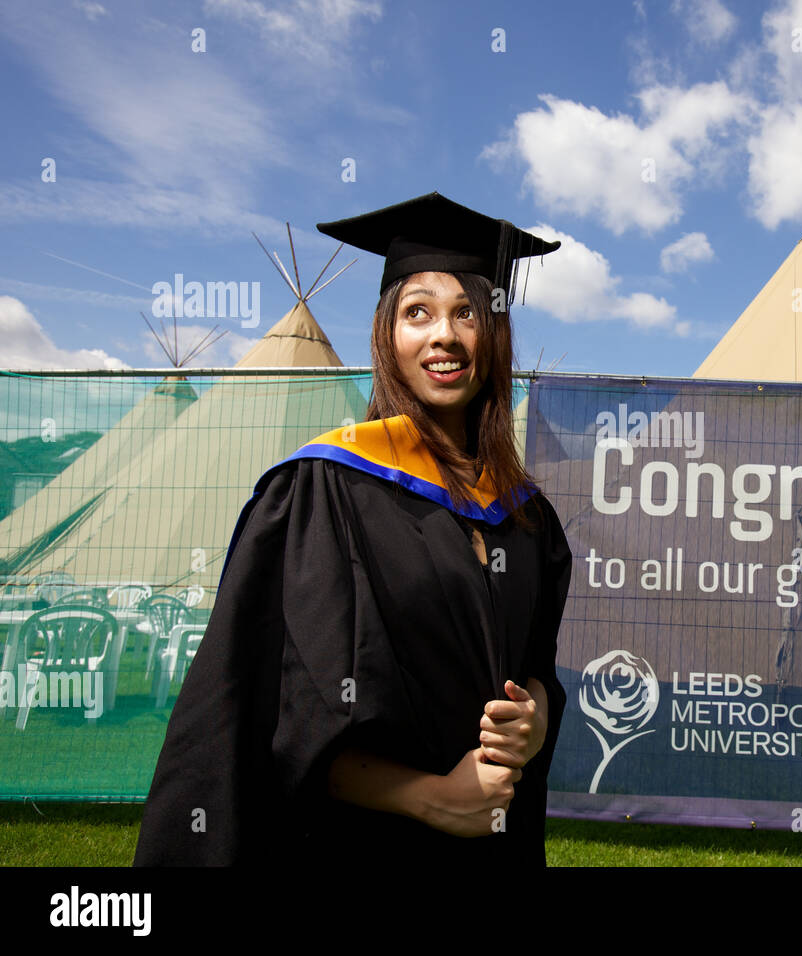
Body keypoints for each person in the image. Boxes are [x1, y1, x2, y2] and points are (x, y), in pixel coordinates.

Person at [134, 192, 570, 866]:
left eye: (467, 313)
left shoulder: (527, 517)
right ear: (387, 335)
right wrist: (429, 797)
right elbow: (266, 711)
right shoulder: (324, 489)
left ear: (495, 332)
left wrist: (536, 718)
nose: (443, 335)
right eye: (416, 312)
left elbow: (535, 666)